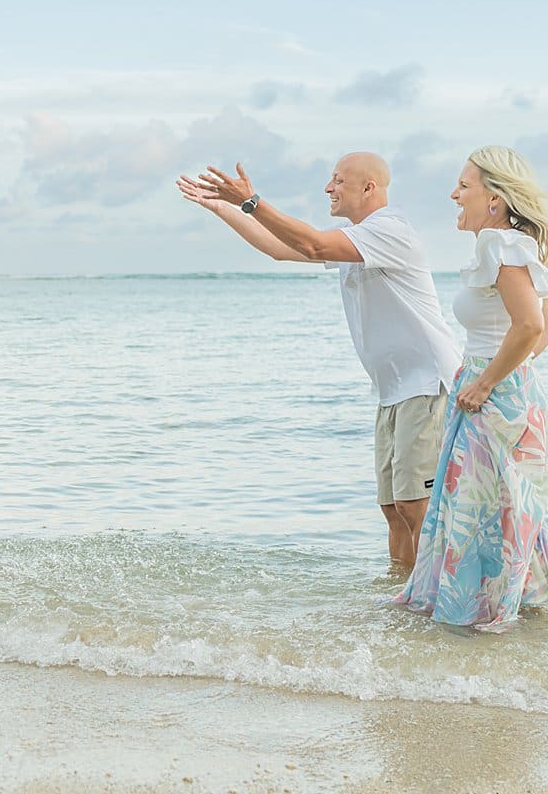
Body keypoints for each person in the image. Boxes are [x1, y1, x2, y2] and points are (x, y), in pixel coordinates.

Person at [178, 153, 461, 567]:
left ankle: (436, 600)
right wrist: (221, 206)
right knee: (394, 510)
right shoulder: (357, 236)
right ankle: (402, 602)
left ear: (369, 188)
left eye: (338, 180)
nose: (328, 188)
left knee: (416, 506)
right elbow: (282, 249)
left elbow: (311, 242)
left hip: (426, 384)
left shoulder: (390, 231)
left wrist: (251, 201)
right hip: (392, 390)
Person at [390, 146, 548, 630]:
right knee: (503, 509)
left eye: (463, 186)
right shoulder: (513, 245)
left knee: (480, 512)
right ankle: (514, 617)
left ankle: (472, 622)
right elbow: (545, 329)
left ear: (494, 197)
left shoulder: (500, 245)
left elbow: (531, 326)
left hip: (492, 394)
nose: (454, 193)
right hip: (510, 393)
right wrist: (507, 381)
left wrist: (487, 381)